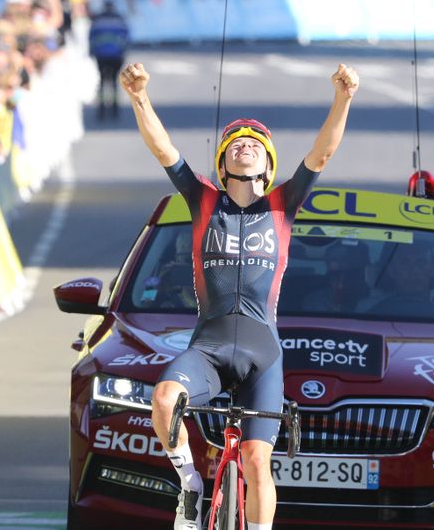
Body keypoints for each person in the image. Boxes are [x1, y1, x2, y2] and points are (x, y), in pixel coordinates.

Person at [121, 60, 358, 530]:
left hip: (262, 354)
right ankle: (189, 484)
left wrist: (344, 98)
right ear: (224, 163)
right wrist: (139, 96)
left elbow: (322, 153)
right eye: (236, 144)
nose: (245, 147)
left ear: (268, 166)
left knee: (255, 461)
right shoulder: (203, 199)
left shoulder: (283, 204)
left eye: (255, 145)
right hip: (206, 348)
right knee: (166, 400)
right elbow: (163, 148)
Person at [300, 242, 372, 314]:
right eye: (334, 259)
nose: (340, 264)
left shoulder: (378, 303)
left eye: (344, 259)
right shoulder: (315, 301)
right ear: (327, 264)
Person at [89, 1, 131, 119]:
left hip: (101, 55)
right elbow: (126, 37)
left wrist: (92, 51)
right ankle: (114, 109)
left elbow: (91, 37)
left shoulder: (97, 20)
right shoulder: (119, 19)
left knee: (102, 81)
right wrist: (123, 51)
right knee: (114, 82)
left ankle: (101, 110)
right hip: (116, 55)